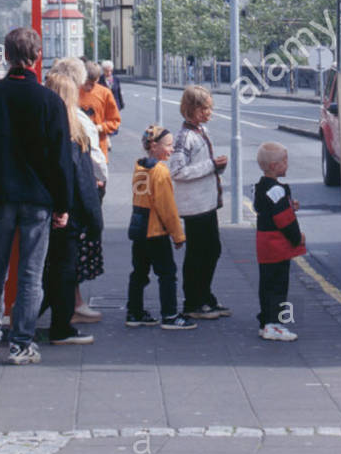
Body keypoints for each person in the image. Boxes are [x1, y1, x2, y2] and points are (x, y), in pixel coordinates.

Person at [0, 27, 73, 365]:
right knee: (30, 275)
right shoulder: (50, 101)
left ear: (6, 55)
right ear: (37, 56)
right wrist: (63, 204)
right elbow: (60, 159)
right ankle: (21, 344)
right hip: (38, 201)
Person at [39, 72, 104, 345]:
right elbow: (81, 180)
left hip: (40, 210)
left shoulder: (40, 126)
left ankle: (24, 317)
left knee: (43, 267)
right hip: (67, 214)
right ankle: (61, 328)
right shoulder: (73, 132)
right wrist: (93, 219)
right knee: (64, 269)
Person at [127, 125, 197, 329]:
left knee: (139, 273)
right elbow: (167, 208)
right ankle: (170, 315)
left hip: (138, 230)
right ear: (154, 145)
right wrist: (178, 235)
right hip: (156, 231)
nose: (172, 148)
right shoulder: (160, 172)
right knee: (167, 273)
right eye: (168, 145)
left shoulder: (140, 167)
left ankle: (134, 312)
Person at [170, 85, 230, 319]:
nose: (209, 113)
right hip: (195, 206)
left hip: (206, 204)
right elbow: (177, 171)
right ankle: (194, 301)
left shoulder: (200, 131)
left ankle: (204, 296)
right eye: (205, 108)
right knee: (200, 252)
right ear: (192, 108)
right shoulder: (185, 137)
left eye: (210, 108)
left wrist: (216, 167)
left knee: (210, 250)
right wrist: (211, 165)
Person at [254, 142, 305, 342]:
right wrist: (297, 237)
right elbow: (284, 220)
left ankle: (265, 321)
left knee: (266, 284)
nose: (287, 164)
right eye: (284, 161)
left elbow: (266, 208)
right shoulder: (277, 190)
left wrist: (289, 204)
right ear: (274, 166)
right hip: (277, 245)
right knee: (279, 286)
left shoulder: (261, 187)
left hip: (264, 245)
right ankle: (276, 324)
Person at [79, 61, 121, 159]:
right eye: (86, 83)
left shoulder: (105, 93)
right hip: (79, 147)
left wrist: (101, 127)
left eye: (92, 84)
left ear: (98, 80)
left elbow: (115, 120)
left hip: (98, 147)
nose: (89, 87)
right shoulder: (73, 91)